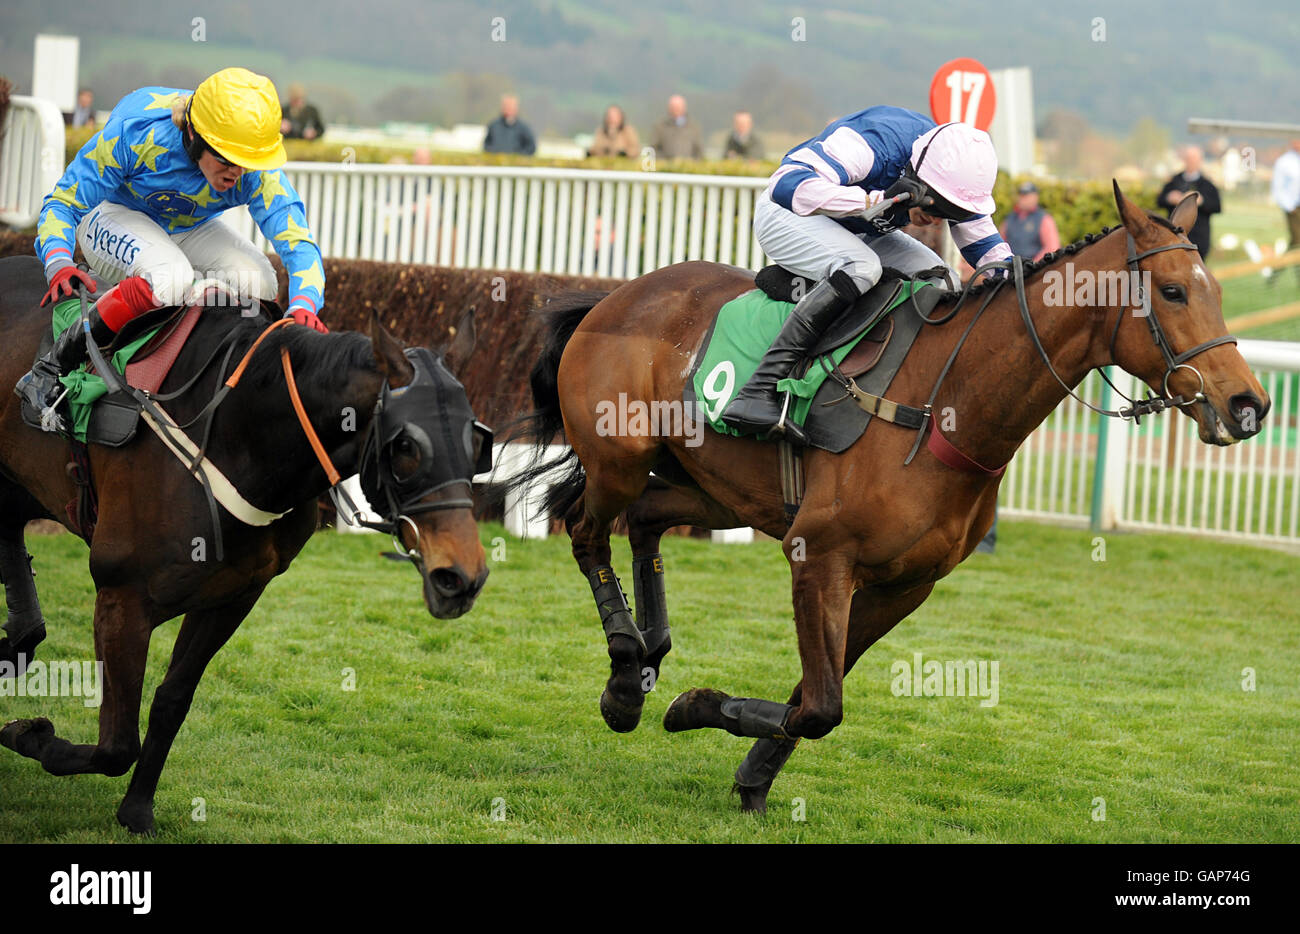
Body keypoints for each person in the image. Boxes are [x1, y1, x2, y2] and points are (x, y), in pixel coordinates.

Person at [16, 67, 329, 434]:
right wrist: (58, 261)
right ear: (193, 135)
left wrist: (304, 304)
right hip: (111, 212)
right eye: (226, 159)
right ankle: (52, 366)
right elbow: (63, 203)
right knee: (171, 278)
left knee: (258, 281)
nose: (237, 173)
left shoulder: (253, 169)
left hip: (185, 226)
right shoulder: (138, 133)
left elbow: (299, 243)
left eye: (247, 163)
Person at [719, 106, 1013, 444]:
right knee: (863, 267)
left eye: (950, 212)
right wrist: (873, 201)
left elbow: (988, 251)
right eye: (936, 206)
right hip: (787, 215)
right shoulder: (876, 142)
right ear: (917, 175)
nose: (936, 220)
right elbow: (787, 183)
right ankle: (758, 389)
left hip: (856, 232)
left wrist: (1021, 279)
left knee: (940, 277)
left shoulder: (952, 171)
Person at [1157, 145, 1220, 258]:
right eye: (1188, 158)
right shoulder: (1174, 181)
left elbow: (1217, 207)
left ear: (1200, 160)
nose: (1191, 162)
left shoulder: (1207, 184)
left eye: (1194, 158)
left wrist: (1201, 201)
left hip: (1199, 238)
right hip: (1174, 236)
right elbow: (1159, 200)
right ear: (1184, 160)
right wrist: (1169, 198)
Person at [999, 181, 1060, 262]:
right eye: (1021, 195)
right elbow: (1000, 246)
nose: (1023, 199)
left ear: (1036, 197)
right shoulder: (1009, 219)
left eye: (1027, 196)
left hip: (1036, 267)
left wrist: (1034, 265)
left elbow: (1052, 247)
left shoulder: (1044, 219)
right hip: (1011, 266)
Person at [1271, 139, 1300, 263]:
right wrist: (1289, 206)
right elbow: (1278, 187)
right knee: (1298, 241)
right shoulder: (1284, 161)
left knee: (1295, 242)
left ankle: (1277, 268)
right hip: (1294, 207)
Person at [650, 95, 702, 160]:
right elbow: (653, 148)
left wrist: (693, 162)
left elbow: (699, 150)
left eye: (678, 107)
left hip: (688, 164)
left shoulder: (693, 127)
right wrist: (664, 161)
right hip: (666, 165)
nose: (676, 109)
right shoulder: (660, 127)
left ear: (684, 108)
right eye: (673, 107)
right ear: (669, 108)